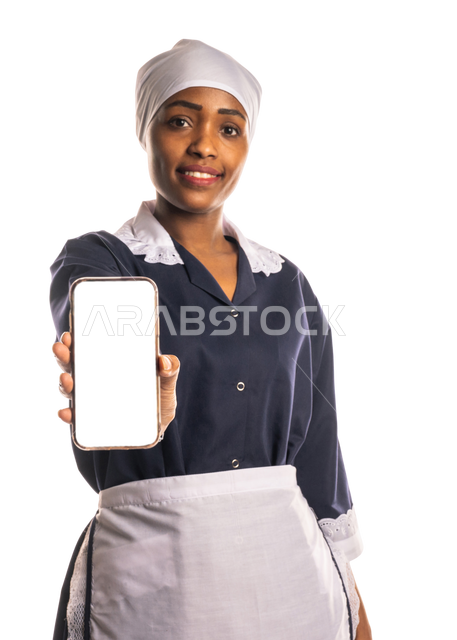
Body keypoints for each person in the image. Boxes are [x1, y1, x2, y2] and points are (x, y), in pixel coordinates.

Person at [48, 37, 373, 640]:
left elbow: (321, 450)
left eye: (229, 128)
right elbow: (106, 440)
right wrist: (152, 415)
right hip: (156, 579)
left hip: (291, 581)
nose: (204, 145)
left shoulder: (288, 283)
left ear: (247, 147)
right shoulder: (99, 263)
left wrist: (355, 601)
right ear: (144, 133)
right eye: (180, 121)